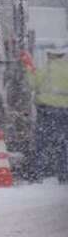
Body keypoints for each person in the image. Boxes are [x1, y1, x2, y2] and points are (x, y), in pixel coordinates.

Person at [24, 48, 68, 182]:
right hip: (64, 112)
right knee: (63, 145)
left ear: (49, 55)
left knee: (41, 145)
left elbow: (32, 84)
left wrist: (28, 67)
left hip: (46, 113)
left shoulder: (44, 70)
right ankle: (64, 175)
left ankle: (38, 175)